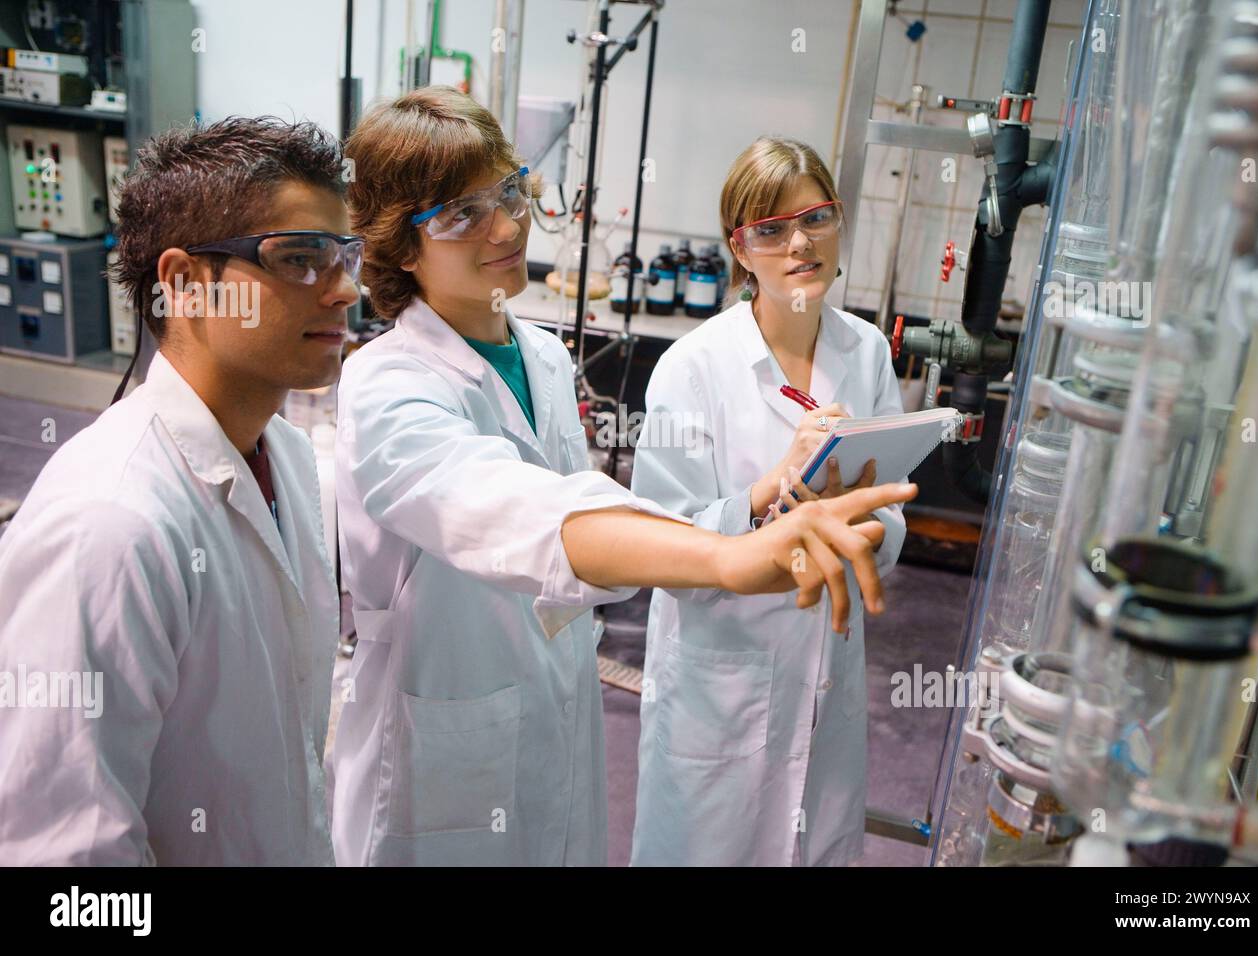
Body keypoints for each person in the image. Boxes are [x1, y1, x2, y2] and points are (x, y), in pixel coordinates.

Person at [332, 88, 916, 866]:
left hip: (556, 719)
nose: (509, 225)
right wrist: (735, 551)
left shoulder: (541, 356)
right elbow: (521, 513)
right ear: (400, 248)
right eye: (458, 215)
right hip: (443, 754)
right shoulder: (384, 383)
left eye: (509, 190)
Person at [0, 117, 360, 864]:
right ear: (186, 284)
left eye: (345, 255)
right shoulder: (108, 525)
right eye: (301, 258)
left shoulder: (285, 456)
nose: (345, 289)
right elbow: (63, 865)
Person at [629, 136, 909, 866]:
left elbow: (892, 517)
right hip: (722, 684)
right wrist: (777, 485)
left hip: (825, 668)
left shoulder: (867, 351)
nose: (799, 244)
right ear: (741, 249)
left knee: (813, 843)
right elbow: (660, 542)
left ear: (840, 224)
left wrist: (860, 509)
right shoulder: (693, 368)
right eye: (771, 229)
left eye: (815, 219)